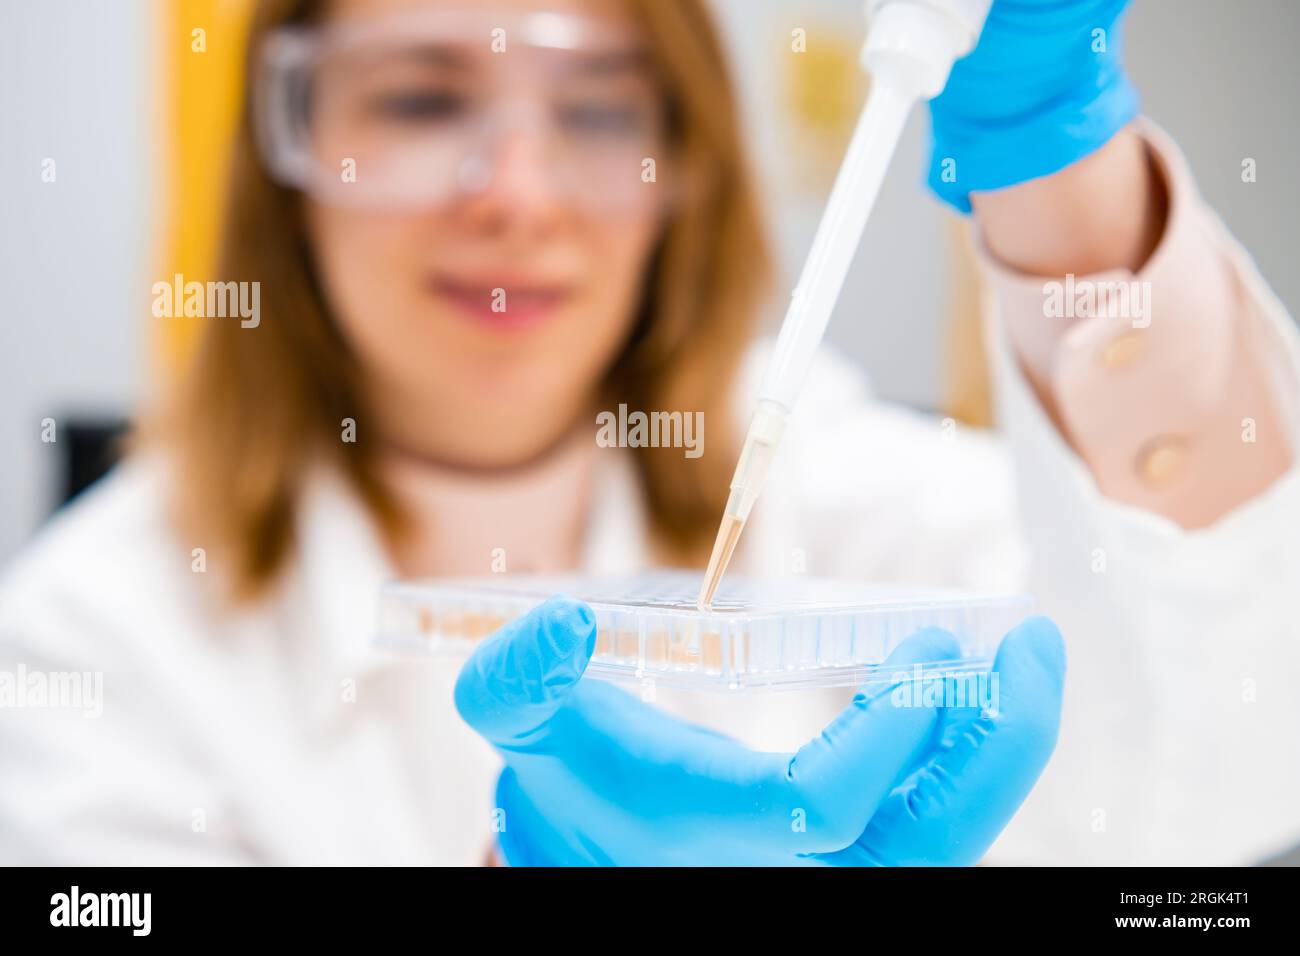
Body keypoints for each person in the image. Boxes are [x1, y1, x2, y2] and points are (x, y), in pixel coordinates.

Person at [0, 0, 1295, 865]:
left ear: (686, 169)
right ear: (286, 163)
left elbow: (1239, 762)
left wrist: (1056, 167)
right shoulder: (99, 635)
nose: (515, 196)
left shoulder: (839, 487)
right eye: (417, 102)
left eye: (599, 109)